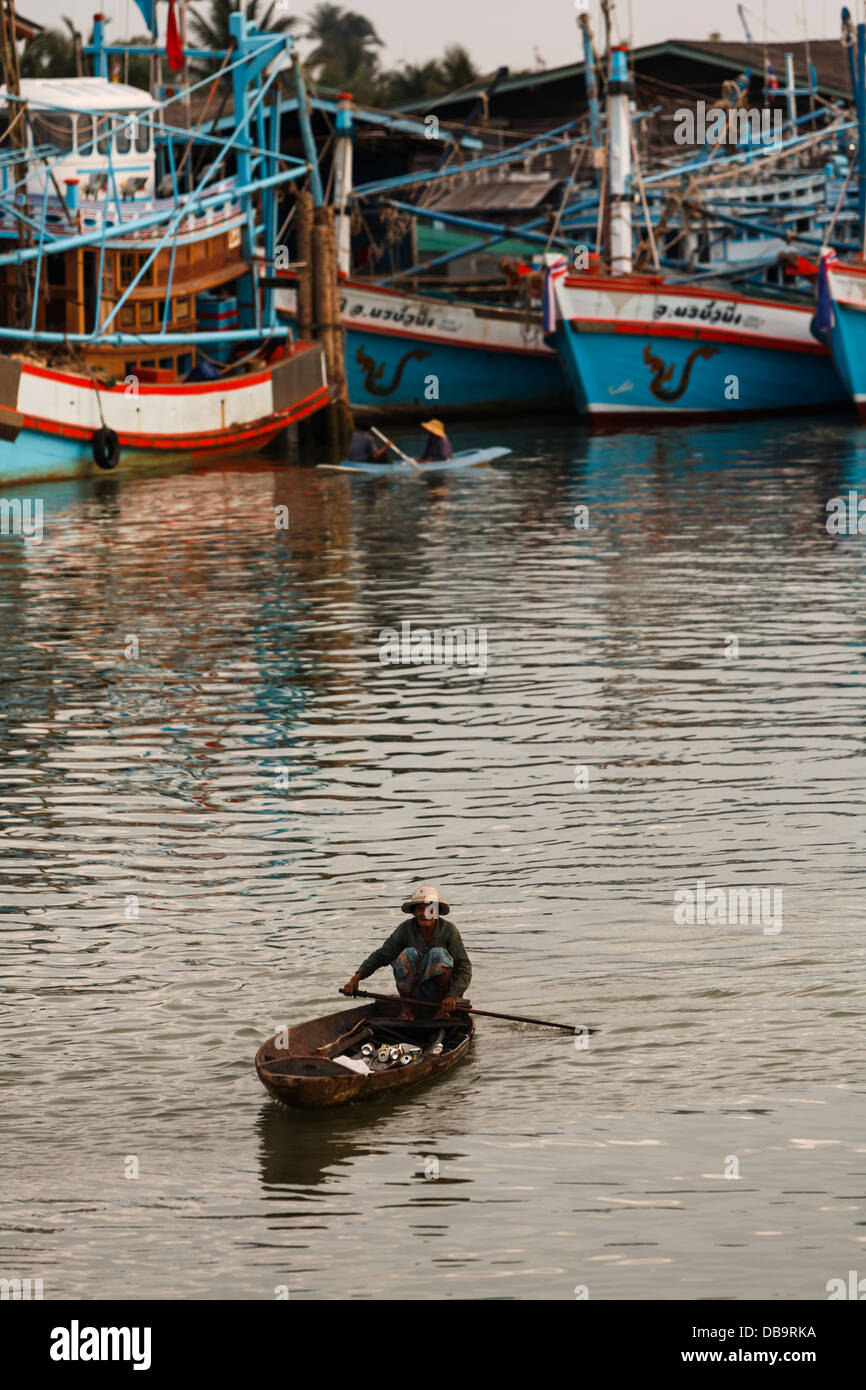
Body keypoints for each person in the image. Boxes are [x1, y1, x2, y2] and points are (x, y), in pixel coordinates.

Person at [340, 883, 471, 1020]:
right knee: (407, 954)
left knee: (437, 954)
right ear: (414, 912)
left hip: (441, 996)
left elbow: (464, 967)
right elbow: (382, 955)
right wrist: (356, 978)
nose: (425, 914)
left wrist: (452, 996)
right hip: (414, 993)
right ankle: (407, 1009)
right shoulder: (405, 929)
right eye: (420, 909)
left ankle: (442, 1010)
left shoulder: (449, 930)